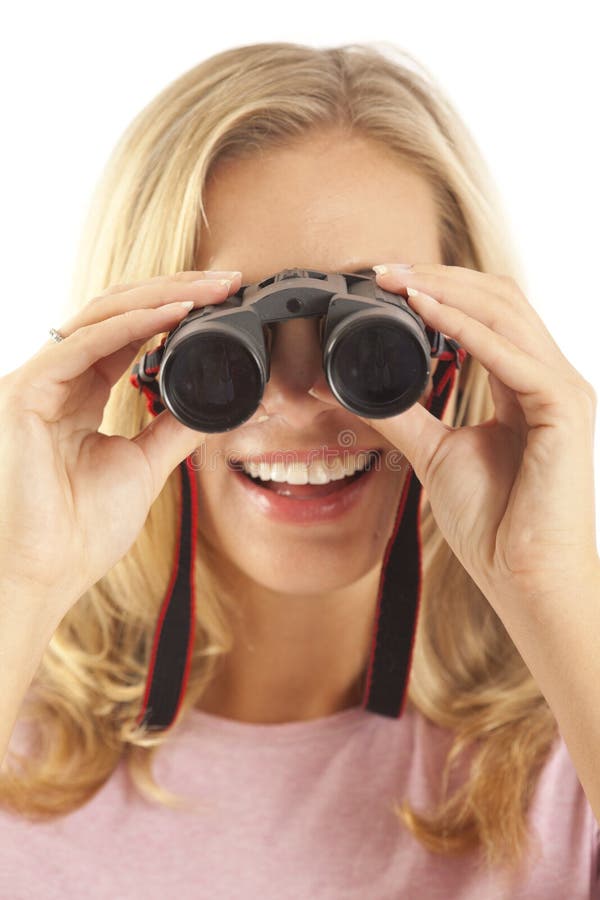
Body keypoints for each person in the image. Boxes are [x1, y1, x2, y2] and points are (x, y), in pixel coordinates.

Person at [0, 40, 598, 899]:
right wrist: (18, 582)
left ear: (461, 349)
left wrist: (554, 588)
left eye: (374, 329)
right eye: (219, 335)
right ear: (134, 353)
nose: (303, 395)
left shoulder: (575, 729)